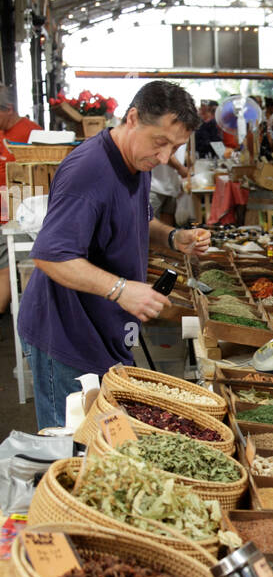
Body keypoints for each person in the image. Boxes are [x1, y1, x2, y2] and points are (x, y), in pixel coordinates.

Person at [18, 80, 211, 430]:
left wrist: (172, 236)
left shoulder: (137, 162)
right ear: (133, 118)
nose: (165, 158)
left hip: (100, 330)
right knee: (73, 443)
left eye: (175, 148)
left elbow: (138, 218)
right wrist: (122, 289)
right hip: (66, 334)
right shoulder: (89, 172)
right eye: (160, 142)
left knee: (102, 438)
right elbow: (51, 255)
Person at [0, 85, 42, 315]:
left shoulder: (31, 134)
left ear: (8, 109)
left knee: (12, 269)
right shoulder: (1, 133)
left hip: (17, 214)